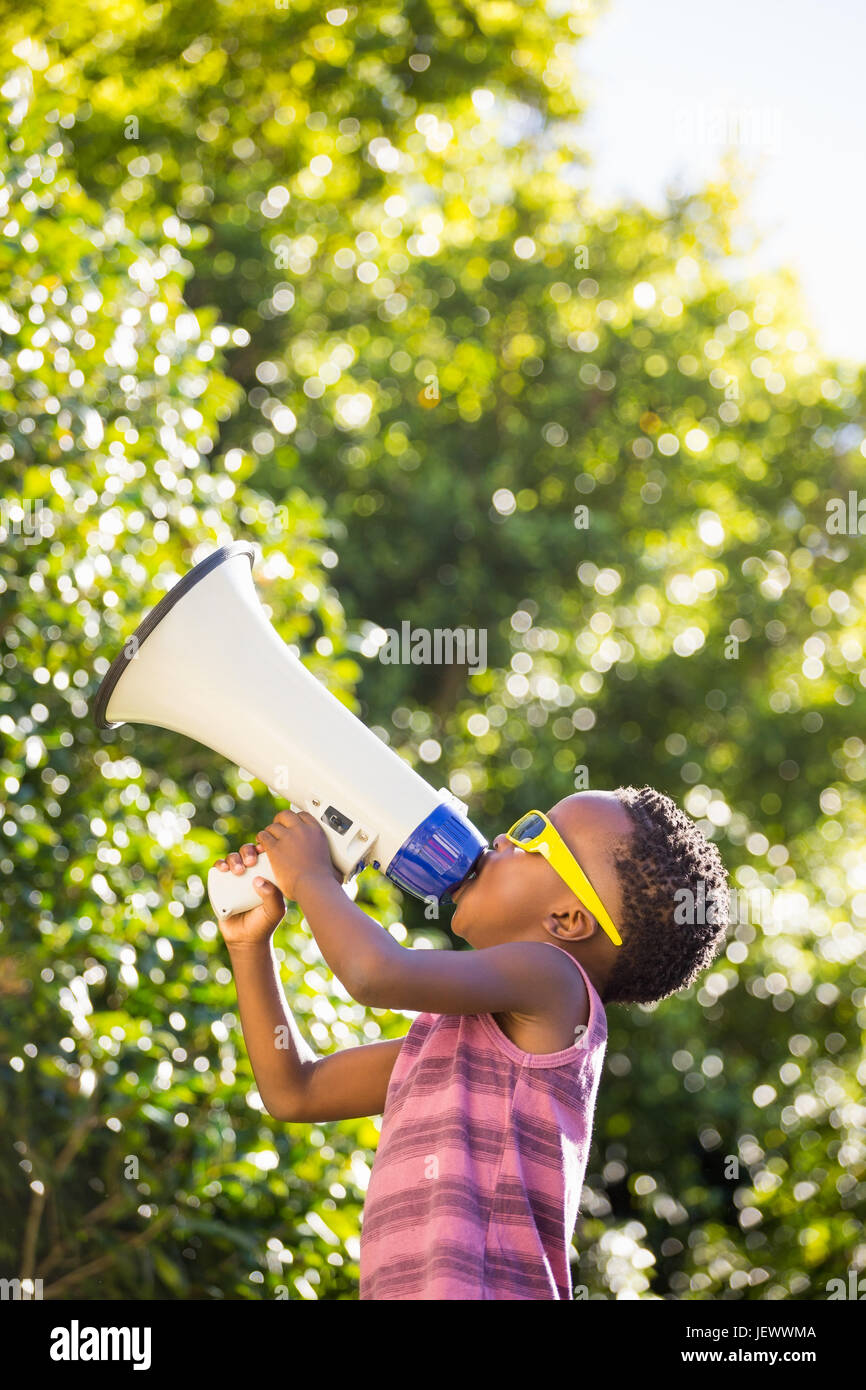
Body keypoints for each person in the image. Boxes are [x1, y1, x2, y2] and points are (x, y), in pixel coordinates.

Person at [213, 785, 729, 1300]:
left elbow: (373, 973)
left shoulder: (556, 983)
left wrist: (309, 877)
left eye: (535, 836)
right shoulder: (454, 1044)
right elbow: (296, 1090)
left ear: (569, 919)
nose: (504, 837)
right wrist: (248, 945)